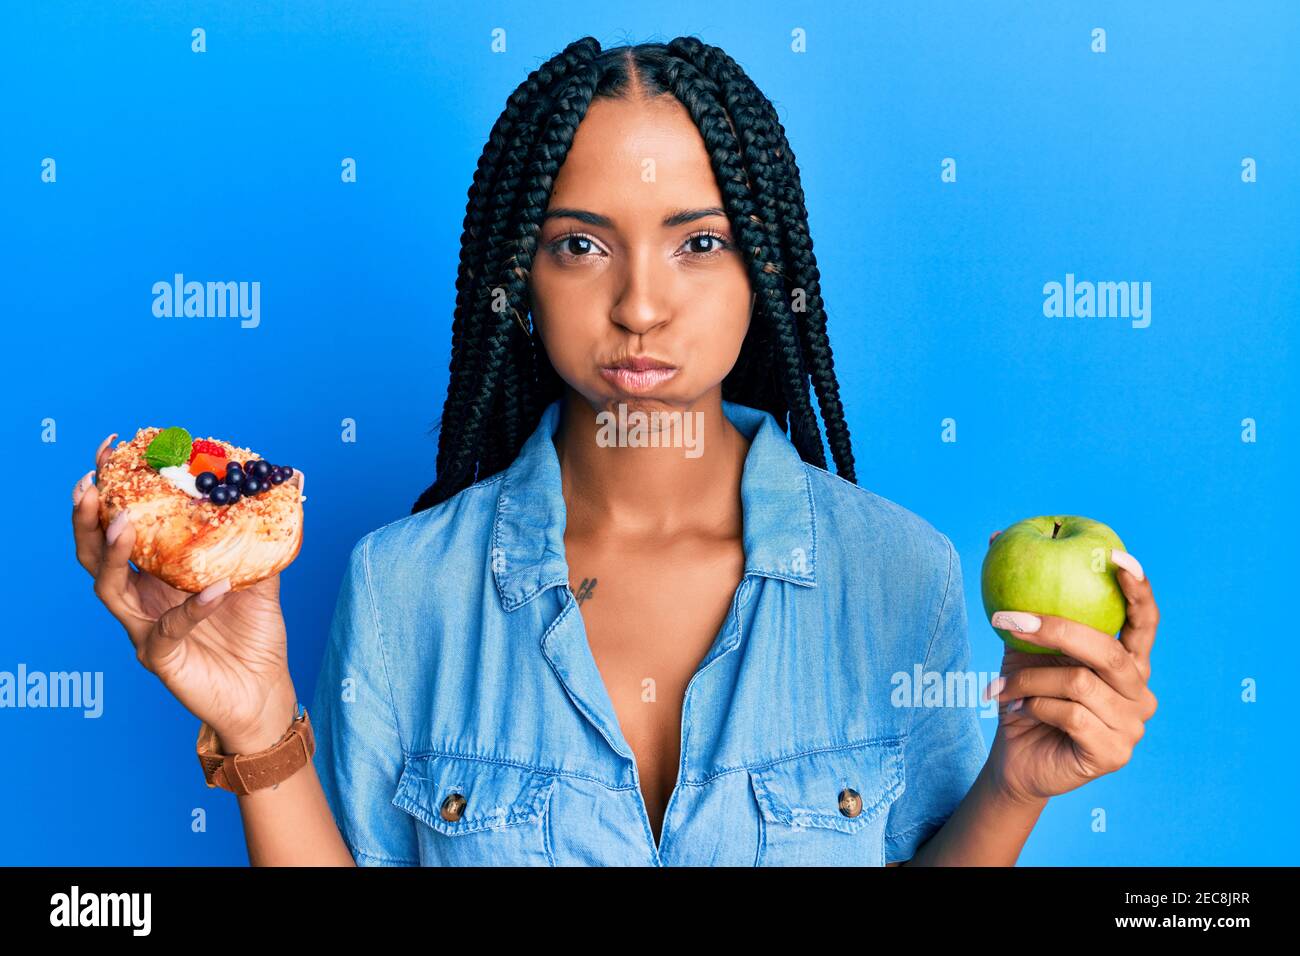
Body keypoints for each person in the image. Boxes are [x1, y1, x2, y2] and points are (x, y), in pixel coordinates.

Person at [70, 36, 1160, 866]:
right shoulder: (403, 584)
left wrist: (1016, 784)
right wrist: (261, 726)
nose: (640, 303)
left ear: (763, 274)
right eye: (581, 244)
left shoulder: (899, 571)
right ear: (518, 281)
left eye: (699, 242)